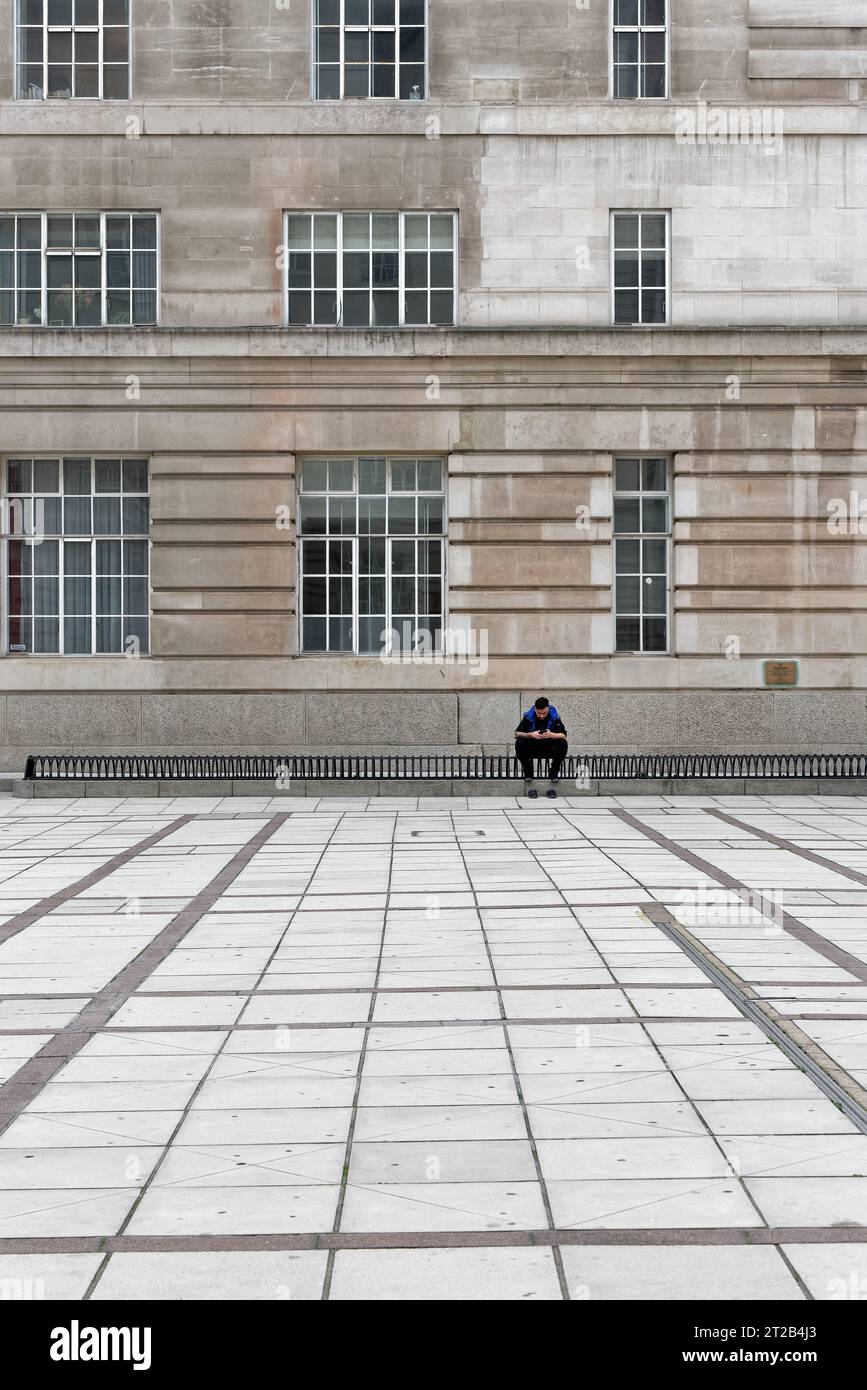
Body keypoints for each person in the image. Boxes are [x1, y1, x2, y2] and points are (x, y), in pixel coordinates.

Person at [514, 697, 569, 799]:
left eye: (544, 713)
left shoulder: (555, 717)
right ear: (535, 709)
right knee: (519, 742)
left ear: (548, 708)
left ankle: (554, 771)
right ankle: (528, 770)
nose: (542, 716)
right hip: (533, 747)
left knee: (562, 743)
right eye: (539, 713)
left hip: (549, 747)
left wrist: (551, 735)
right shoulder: (528, 717)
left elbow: (564, 736)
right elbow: (516, 734)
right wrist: (531, 735)